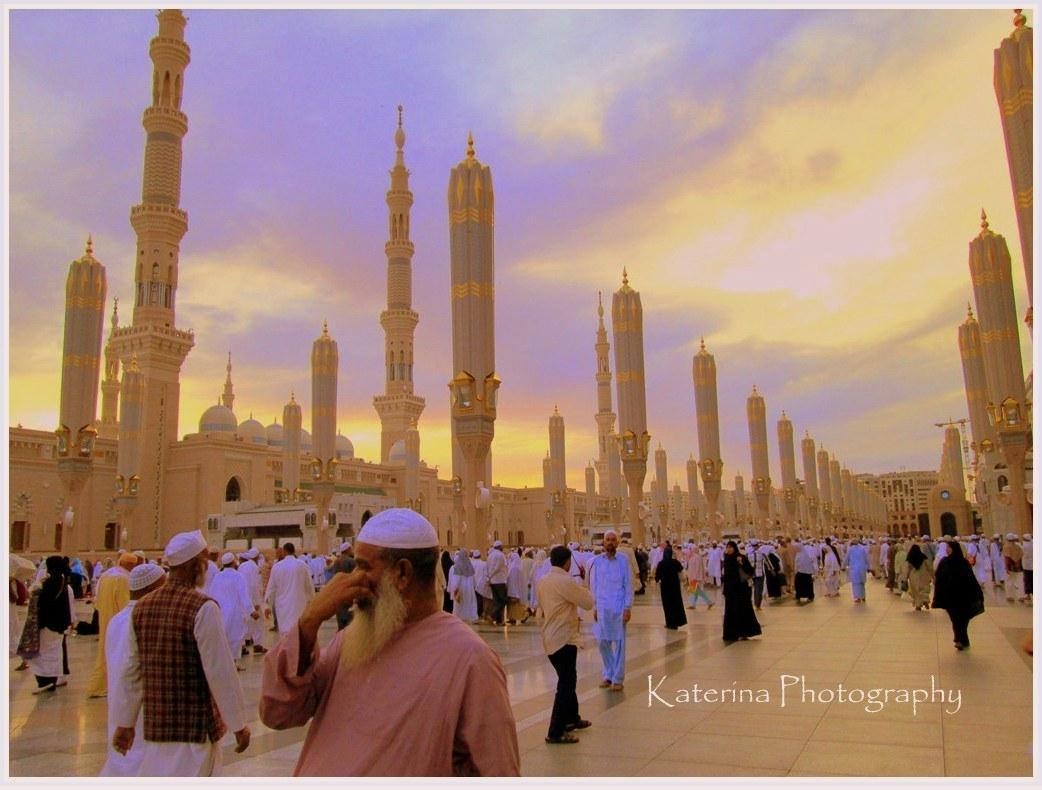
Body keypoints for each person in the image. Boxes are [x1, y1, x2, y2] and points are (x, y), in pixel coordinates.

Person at [259, 508, 520, 775]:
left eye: (364, 567)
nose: (353, 579)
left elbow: (497, 769)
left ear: (402, 573)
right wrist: (308, 622)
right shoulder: (350, 642)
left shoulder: (470, 660)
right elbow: (278, 712)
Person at [111, 530, 250, 776]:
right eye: (204, 562)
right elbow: (219, 671)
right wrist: (238, 724)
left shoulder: (142, 607)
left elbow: (132, 671)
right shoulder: (202, 607)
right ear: (195, 566)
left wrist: (125, 722)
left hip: (157, 728)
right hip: (194, 730)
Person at [100, 563, 166, 777]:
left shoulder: (116, 620)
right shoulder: (145, 620)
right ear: (151, 589)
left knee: (122, 757)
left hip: (119, 698)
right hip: (138, 703)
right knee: (139, 755)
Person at [536, 545, 594, 745]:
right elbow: (588, 602)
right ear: (568, 562)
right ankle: (555, 731)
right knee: (566, 684)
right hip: (563, 638)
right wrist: (584, 582)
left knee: (568, 678)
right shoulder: (564, 581)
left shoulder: (543, 581)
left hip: (550, 636)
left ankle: (571, 719)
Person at [87, 551, 139, 698]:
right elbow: (125, 604)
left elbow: (97, 599)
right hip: (118, 620)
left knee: (104, 650)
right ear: (129, 565)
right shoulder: (123, 579)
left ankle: (98, 684)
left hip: (105, 618)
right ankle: (106, 685)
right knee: (117, 653)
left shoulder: (107, 575)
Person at [18, 556, 74, 693]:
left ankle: (45, 681)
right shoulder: (62, 582)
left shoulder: (50, 584)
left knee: (42, 655)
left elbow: (44, 605)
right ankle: (52, 680)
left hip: (48, 625)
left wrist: (37, 593)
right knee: (54, 653)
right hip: (59, 626)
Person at [588, 530, 632, 691]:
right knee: (602, 642)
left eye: (613, 540)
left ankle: (618, 678)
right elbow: (595, 584)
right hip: (602, 607)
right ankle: (608, 674)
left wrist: (627, 607)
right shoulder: (598, 561)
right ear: (604, 542)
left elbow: (628, 585)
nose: (610, 543)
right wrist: (595, 606)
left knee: (619, 643)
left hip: (619, 607)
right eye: (608, 540)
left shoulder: (623, 560)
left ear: (617, 542)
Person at [932, 540, 985, 651]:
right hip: (952, 595)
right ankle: (960, 639)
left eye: (949, 547)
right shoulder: (946, 562)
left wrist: (977, 593)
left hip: (961, 595)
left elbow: (970, 578)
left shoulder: (960, 562)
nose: (947, 549)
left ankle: (961, 639)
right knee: (956, 619)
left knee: (961, 618)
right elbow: (939, 577)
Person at [210, 552, 255, 670]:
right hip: (235, 612)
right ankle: (233, 663)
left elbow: (212, 594)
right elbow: (244, 595)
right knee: (235, 638)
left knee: (223, 638)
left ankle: (225, 664)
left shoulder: (217, 577)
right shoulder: (238, 576)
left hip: (220, 611)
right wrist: (251, 611)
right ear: (233, 562)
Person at [264, 542, 315, 636]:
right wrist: (312, 601)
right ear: (294, 551)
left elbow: (271, 588)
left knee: (285, 634)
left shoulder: (277, 566)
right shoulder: (302, 565)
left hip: (282, 607)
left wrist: (267, 606)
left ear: (284, 551)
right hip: (299, 604)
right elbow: (309, 585)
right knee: (298, 632)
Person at [721, 541, 761, 642]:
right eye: (727, 547)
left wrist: (741, 564)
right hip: (730, 590)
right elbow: (726, 576)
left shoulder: (741, 557)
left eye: (731, 547)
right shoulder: (727, 559)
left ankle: (744, 632)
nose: (729, 549)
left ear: (735, 548)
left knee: (742, 610)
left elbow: (750, 570)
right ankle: (731, 634)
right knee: (731, 611)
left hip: (741, 590)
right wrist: (725, 590)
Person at [236, 548, 266, 653]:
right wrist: (257, 602)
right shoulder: (254, 567)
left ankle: (242, 646)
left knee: (244, 622)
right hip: (252, 599)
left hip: (242, 598)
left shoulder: (242, 566)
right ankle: (258, 645)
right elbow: (255, 585)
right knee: (259, 622)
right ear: (256, 557)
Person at [654, 545, 687, 630]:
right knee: (676, 604)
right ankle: (677, 622)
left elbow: (657, 577)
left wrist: (658, 580)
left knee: (667, 605)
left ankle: (669, 623)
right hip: (675, 587)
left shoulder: (661, 563)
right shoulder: (675, 562)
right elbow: (682, 573)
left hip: (665, 588)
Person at [329, 542, 357, 630]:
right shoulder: (351, 561)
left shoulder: (337, 561)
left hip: (338, 593)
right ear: (348, 549)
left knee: (341, 618)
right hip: (350, 593)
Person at [447, 547, 478, 624]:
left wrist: (454, 590)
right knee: (469, 603)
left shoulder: (457, 566)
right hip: (469, 589)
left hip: (461, 589)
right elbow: (474, 580)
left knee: (459, 604)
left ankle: (459, 617)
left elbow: (456, 581)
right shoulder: (470, 566)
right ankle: (469, 618)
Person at [902, 543, 933, 611]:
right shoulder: (923, 557)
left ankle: (918, 605)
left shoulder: (909, 558)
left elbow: (906, 569)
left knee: (916, 591)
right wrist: (932, 575)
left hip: (913, 577)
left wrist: (904, 579)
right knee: (924, 589)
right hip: (924, 576)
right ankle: (925, 600)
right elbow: (930, 567)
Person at [485, 540, 509, 625]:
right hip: (499, 580)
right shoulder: (500, 555)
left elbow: (487, 567)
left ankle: (499, 620)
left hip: (492, 581)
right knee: (503, 600)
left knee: (497, 600)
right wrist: (491, 576)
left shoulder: (490, 555)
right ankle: (492, 615)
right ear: (500, 547)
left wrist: (489, 578)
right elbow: (498, 567)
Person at [683, 544, 714, 609]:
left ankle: (709, 602)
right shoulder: (693, 557)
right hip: (693, 577)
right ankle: (694, 604)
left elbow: (697, 568)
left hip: (695, 577)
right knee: (695, 591)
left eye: (691, 549)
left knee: (696, 591)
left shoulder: (696, 557)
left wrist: (695, 577)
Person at [845, 538, 869, 603]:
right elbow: (866, 558)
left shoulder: (850, 549)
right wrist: (868, 567)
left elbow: (847, 558)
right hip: (862, 568)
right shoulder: (863, 548)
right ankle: (863, 596)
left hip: (854, 569)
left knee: (855, 584)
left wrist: (844, 565)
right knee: (862, 583)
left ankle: (858, 597)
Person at [1003, 533, 1025, 603]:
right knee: (1020, 581)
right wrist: (1018, 563)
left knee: (1009, 581)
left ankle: (1010, 596)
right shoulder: (1018, 546)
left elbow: (1007, 558)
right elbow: (1021, 555)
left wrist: (1006, 567)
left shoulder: (1006, 547)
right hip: (1019, 566)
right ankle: (1021, 596)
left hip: (1010, 566)